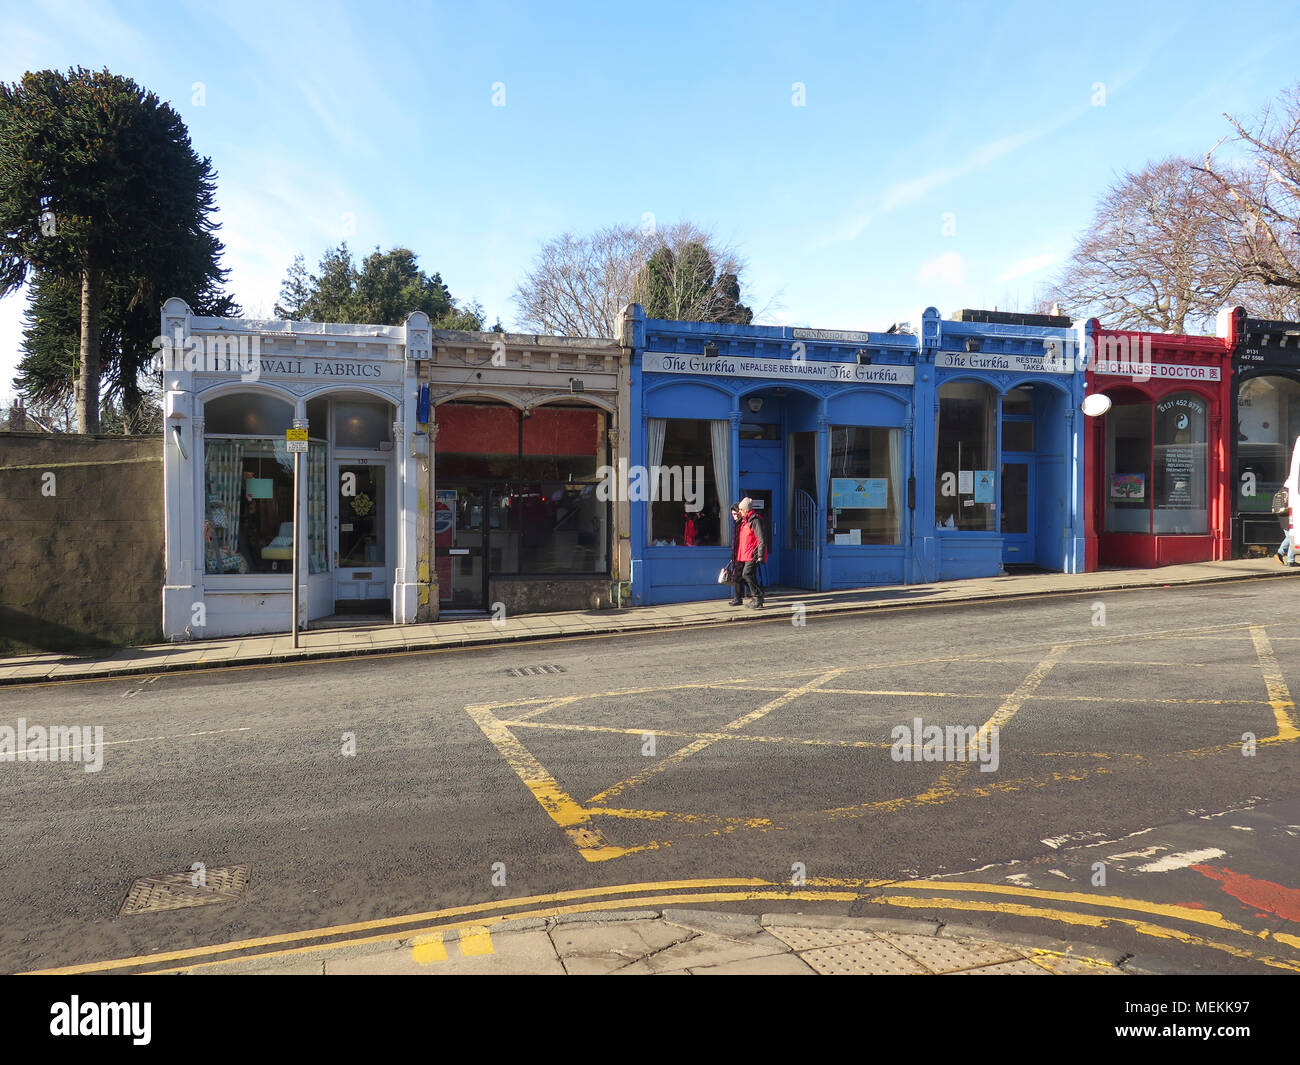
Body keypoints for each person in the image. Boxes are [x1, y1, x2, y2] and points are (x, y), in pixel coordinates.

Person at [732, 497, 769, 609]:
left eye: (741, 510)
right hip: (746, 554)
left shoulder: (755, 520)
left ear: (746, 509)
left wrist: (760, 556)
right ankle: (757, 598)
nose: (740, 512)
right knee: (748, 575)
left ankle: (758, 597)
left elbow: (761, 539)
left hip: (753, 554)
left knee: (746, 574)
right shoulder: (745, 521)